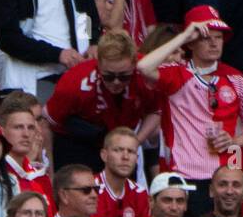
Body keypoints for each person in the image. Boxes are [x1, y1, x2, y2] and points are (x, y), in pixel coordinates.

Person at [137, 7, 243, 217]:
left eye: (219, 37)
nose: (214, 43)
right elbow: (143, 66)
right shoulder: (177, 73)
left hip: (224, 179)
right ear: (192, 43)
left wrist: (234, 142)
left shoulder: (237, 79)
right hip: (184, 176)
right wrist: (184, 35)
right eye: (206, 38)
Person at [44, 31, 162, 170]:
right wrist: (49, 173)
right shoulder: (73, 83)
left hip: (120, 141)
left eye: (124, 76)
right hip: (77, 143)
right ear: (98, 64)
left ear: (134, 65)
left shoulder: (146, 73)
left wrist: (135, 142)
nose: (116, 82)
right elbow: (47, 123)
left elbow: (155, 111)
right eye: (109, 76)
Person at [0, 0, 96, 100]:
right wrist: (57, 54)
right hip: (31, 82)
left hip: (79, 76)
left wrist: (93, 42)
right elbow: (8, 39)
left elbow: (85, 13)